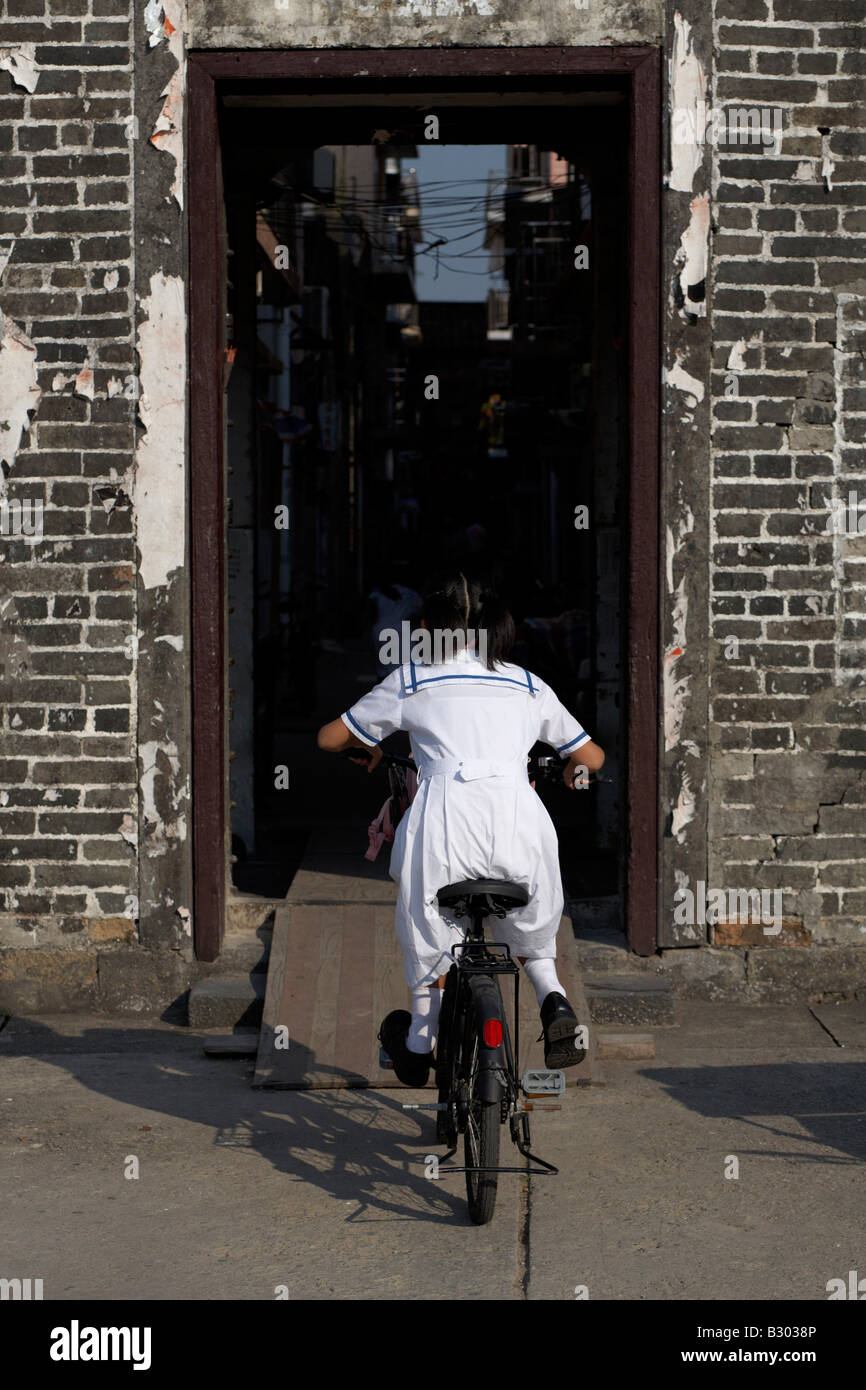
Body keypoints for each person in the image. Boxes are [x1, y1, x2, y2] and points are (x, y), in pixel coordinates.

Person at [316, 570, 605, 1087]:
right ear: (495, 629)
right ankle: (553, 998)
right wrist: (566, 771)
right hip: (519, 826)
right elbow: (591, 756)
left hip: (443, 829)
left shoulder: (412, 679)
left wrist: (370, 749)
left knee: (429, 927)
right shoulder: (526, 683)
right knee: (533, 933)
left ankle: (419, 1041)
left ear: (427, 627)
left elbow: (329, 738)